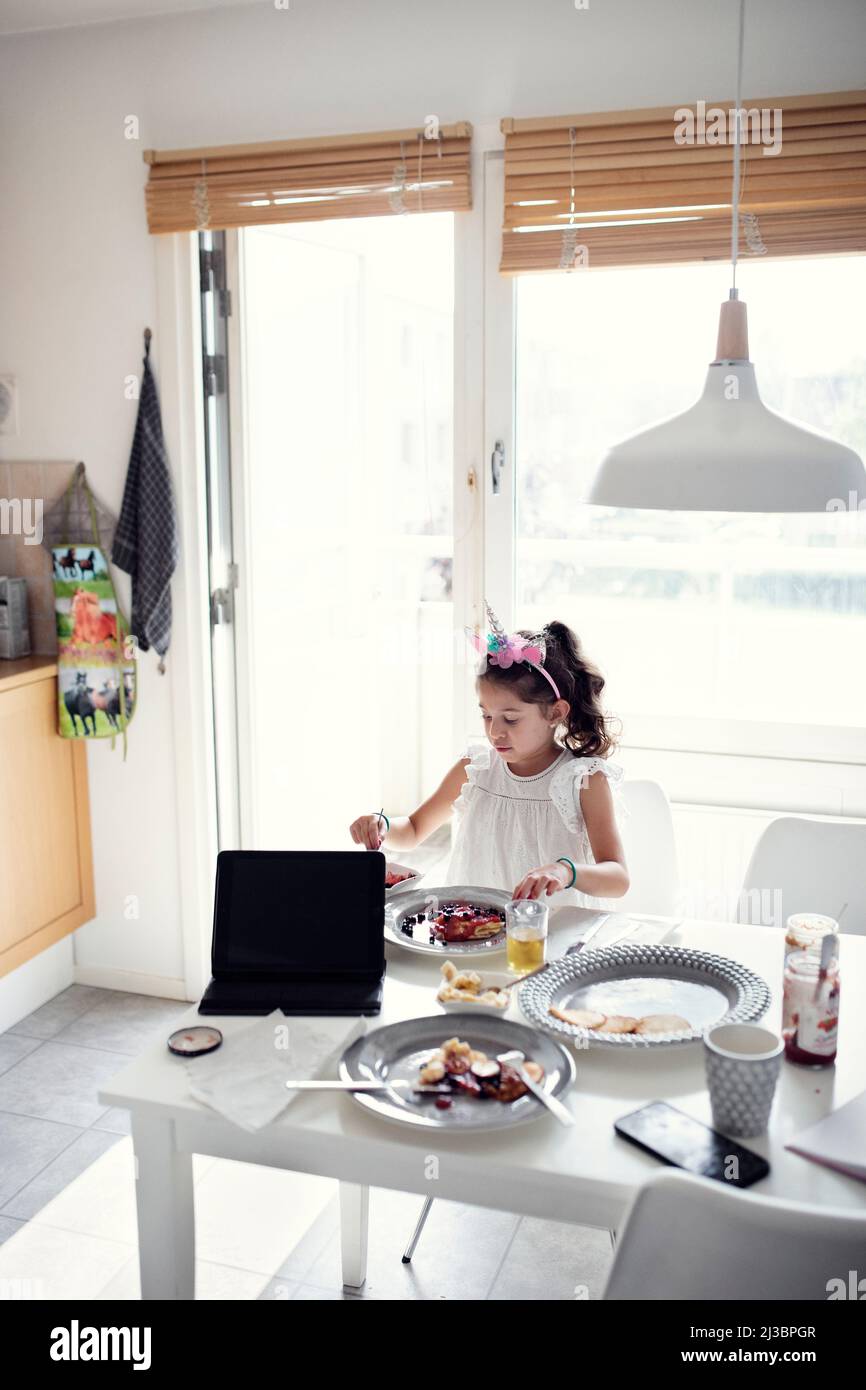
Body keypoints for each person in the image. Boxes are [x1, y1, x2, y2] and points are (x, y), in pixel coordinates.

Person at [350, 606, 629, 907]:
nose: (495, 732)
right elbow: (415, 830)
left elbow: (617, 878)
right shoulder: (476, 769)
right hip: (473, 928)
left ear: (555, 712)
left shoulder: (583, 780)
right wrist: (383, 826)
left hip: (554, 933)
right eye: (486, 716)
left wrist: (566, 871)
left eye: (511, 719)